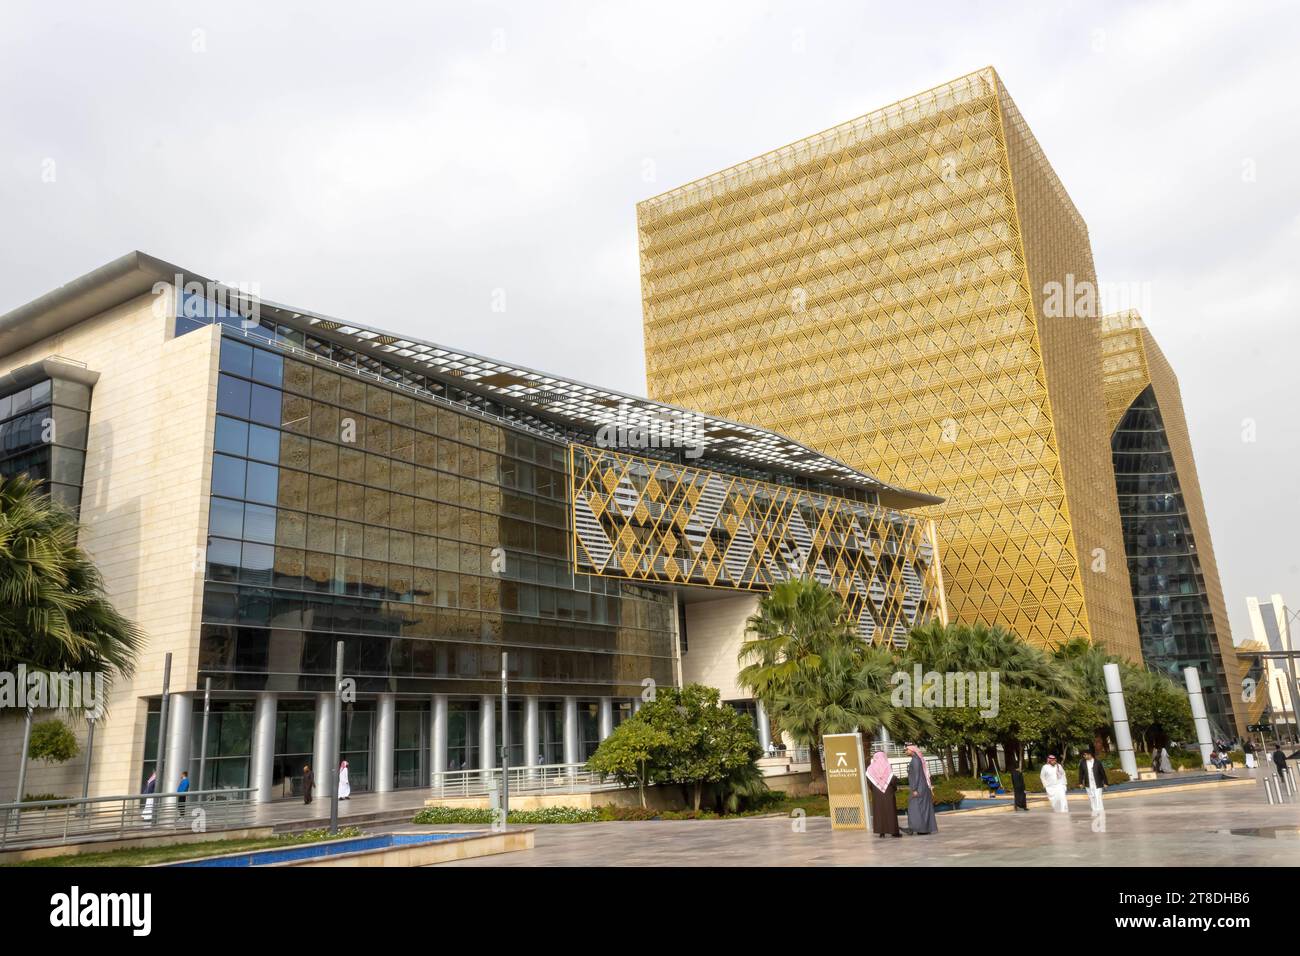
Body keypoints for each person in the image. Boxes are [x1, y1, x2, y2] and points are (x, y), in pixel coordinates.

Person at [904, 743, 938, 835]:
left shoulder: (915, 761)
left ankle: (915, 829)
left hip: (918, 788)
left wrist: (914, 789)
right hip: (922, 787)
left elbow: (917, 776)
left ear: (912, 750)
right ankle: (923, 829)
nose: (906, 751)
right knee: (922, 809)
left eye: (907, 750)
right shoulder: (917, 760)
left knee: (914, 808)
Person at [866, 751, 901, 837]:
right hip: (888, 793)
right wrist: (894, 788)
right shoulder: (887, 766)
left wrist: (874, 790)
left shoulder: (870, 769)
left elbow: (869, 782)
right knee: (890, 811)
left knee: (879, 812)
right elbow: (893, 780)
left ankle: (881, 832)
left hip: (877, 794)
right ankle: (894, 832)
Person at [1079, 749, 1108, 816]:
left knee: (1098, 797)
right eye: (1083, 755)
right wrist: (1080, 783)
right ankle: (1094, 811)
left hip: (1097, 783)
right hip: (1088, 783)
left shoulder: (1097, 762)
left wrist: (1105, 782)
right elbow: (1081, 773)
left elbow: (1102, 773)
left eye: (1085, 755)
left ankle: (1100, 811)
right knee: (1091, 797)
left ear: (1090, 754)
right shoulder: (1082, 763)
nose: (1084, 756)